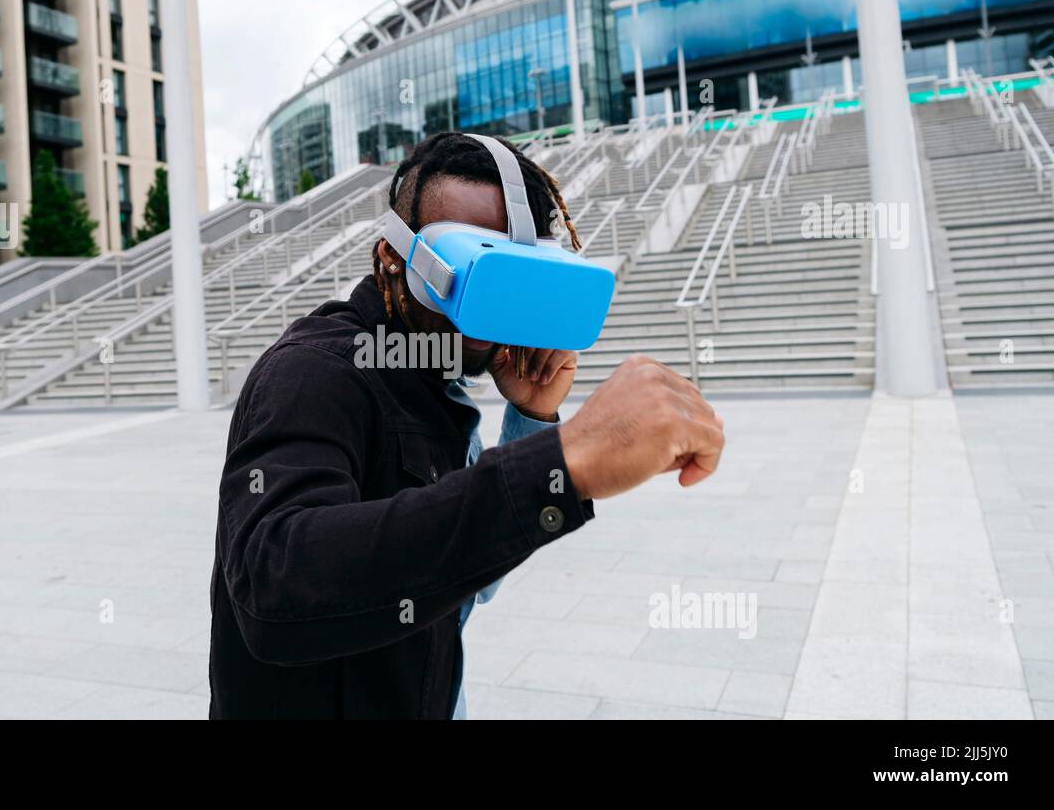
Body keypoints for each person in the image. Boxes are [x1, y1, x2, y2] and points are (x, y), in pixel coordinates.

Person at [208, 133, 724, 719]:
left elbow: (460, 581)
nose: (484, 319)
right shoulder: (314, 371)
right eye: (461, 277)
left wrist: (530, 423)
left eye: (512, 282)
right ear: (391, 260)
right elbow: (272, 589)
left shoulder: (435, 383)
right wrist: (565, 459)